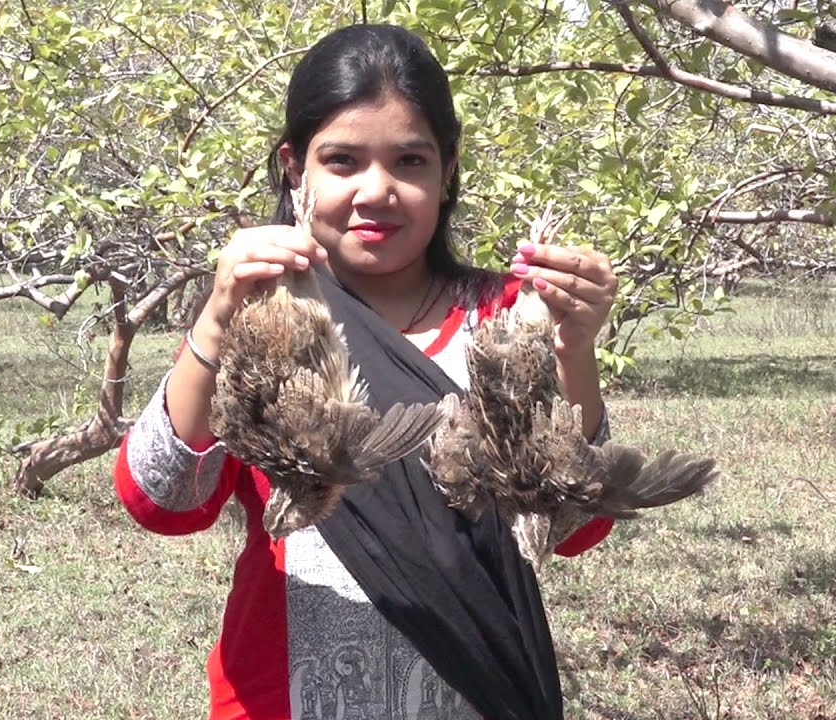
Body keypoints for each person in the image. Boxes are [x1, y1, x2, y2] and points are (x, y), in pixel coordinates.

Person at [114, 23, 620, 720]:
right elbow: (163, 501)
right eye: (343, 161)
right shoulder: (265, 316)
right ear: (296, 167)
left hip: (480, 693)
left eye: (409, 161)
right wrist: (215, 320)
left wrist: (574, 346)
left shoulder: (506, 316)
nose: (376, 191)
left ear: (448, 169)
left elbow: (573, 530)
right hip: (281, 700)